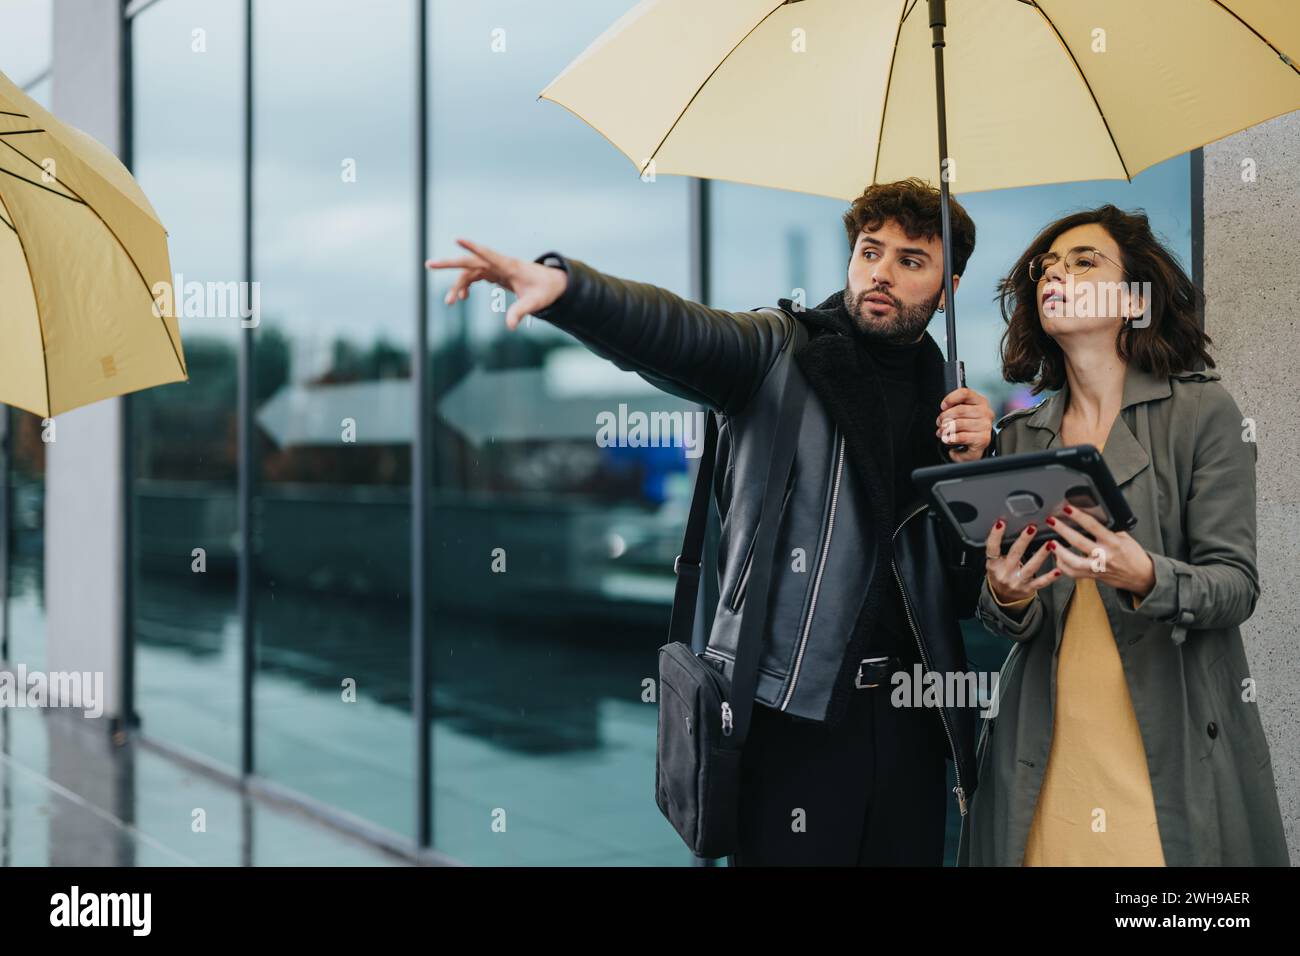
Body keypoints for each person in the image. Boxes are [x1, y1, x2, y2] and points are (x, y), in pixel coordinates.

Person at [427, 178, 995, 866]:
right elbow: (681, 332)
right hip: (791, 712)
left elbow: (964, 592)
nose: (880, 272)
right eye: (869, 250)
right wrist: (571, 291)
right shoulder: (780, 354)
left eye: (911, 260)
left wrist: (974, 462)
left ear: (950, 285)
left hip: (914, 723)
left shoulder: (954, 407)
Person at [962, 205, 1290, 866]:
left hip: (1166, 742)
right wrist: (1007, 592)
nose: (1056, 274)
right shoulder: (1019, 437)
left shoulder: (1202, 412)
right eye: (1045, 268)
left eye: (1084, 261)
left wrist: (1145, 575)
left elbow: (1236, 586)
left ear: (1135, 295)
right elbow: (1007, 617)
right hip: (1046, 746)